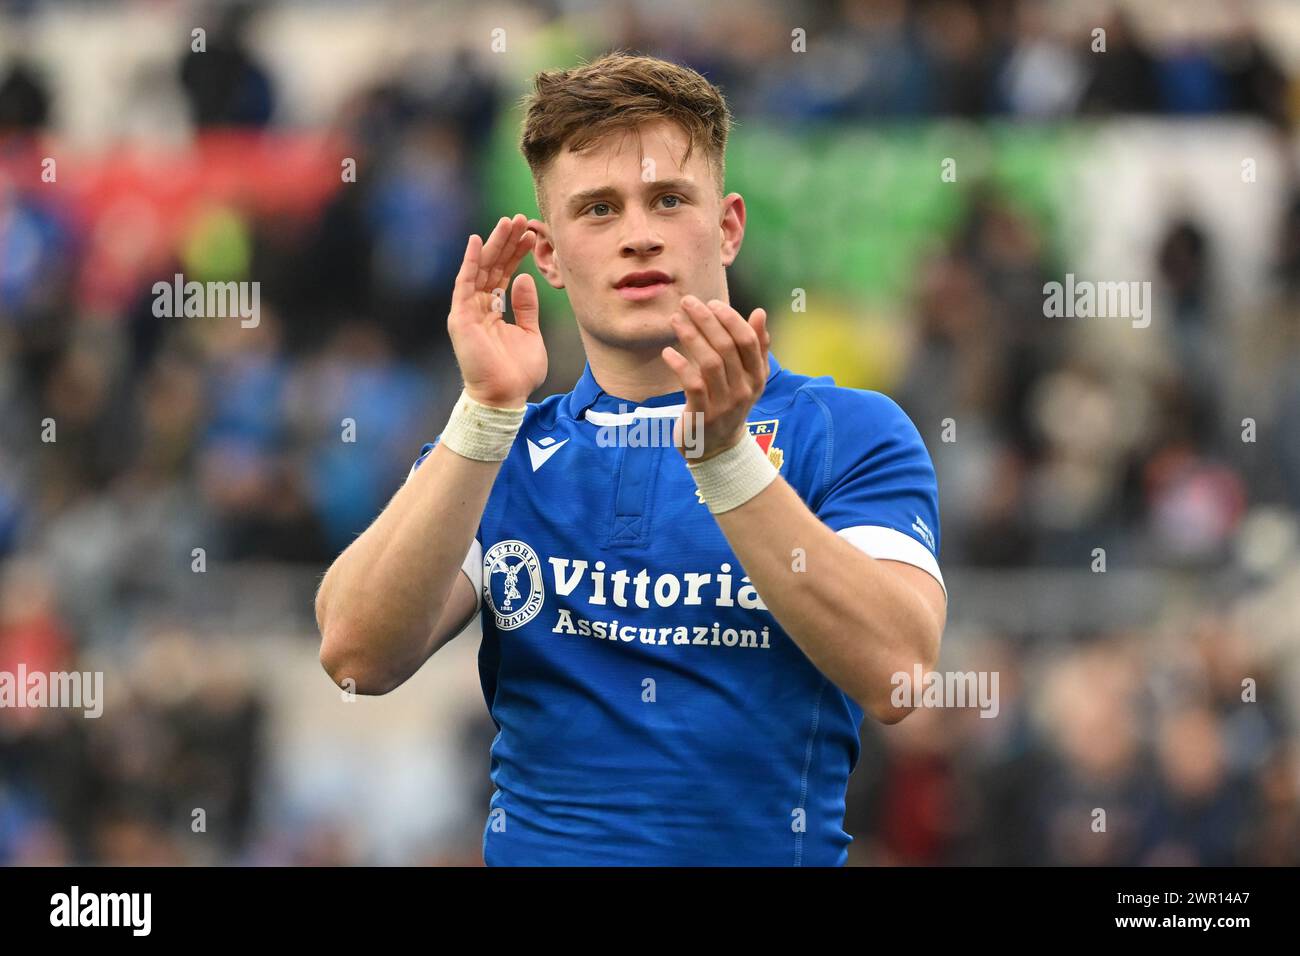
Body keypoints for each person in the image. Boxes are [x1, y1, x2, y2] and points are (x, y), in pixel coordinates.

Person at [315, 52, 947, 866]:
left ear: (727, 225)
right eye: (599, 209)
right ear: (547, 254)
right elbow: (355, 656)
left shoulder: (849, 430)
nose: (639, 234)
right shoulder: (503, 444)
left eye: (669, 199)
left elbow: (899, 672)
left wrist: (728, 465)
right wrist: (484, 413)